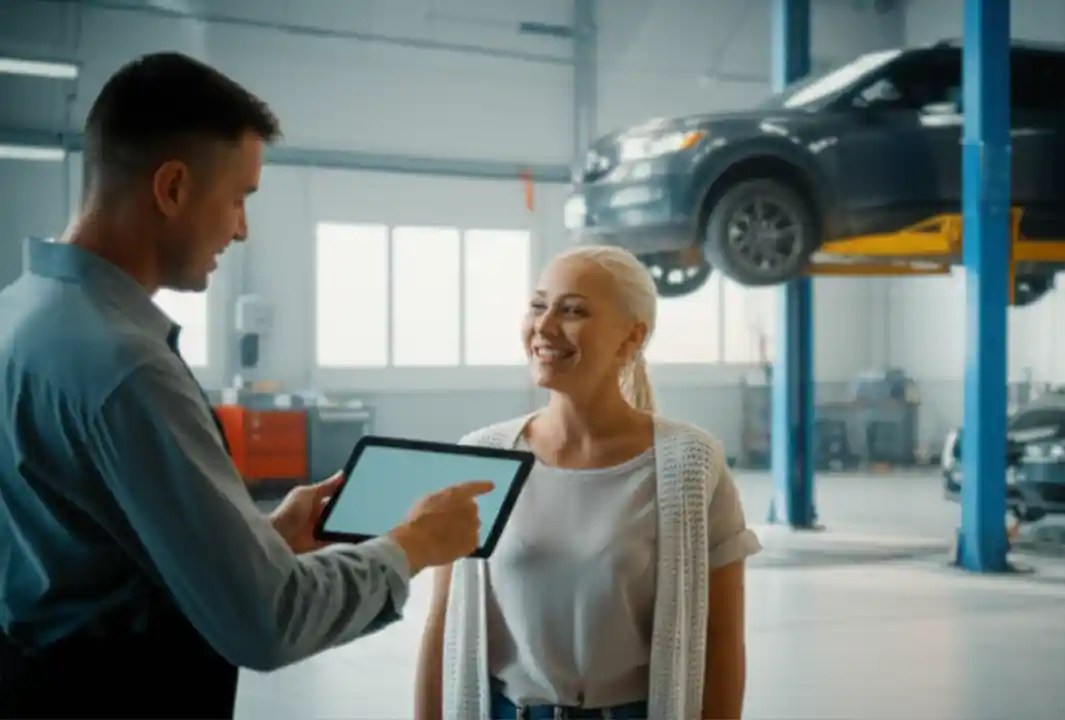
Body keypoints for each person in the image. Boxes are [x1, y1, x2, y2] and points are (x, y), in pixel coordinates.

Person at [0, 52, 492, 720]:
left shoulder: (21, 312)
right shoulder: (129, 367)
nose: (241, 229)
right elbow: (269, 619)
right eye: (238, 199)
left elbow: (88, 548)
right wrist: (414, 545)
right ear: (173, 187)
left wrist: (265, 538)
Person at [415, 245, 763, 720]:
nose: (544, 325)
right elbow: (443, 628)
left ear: (631, 337)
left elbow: (721, 639)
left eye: (573, 310)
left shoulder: (691, 464)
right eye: (538, 305)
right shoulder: (482, 455)